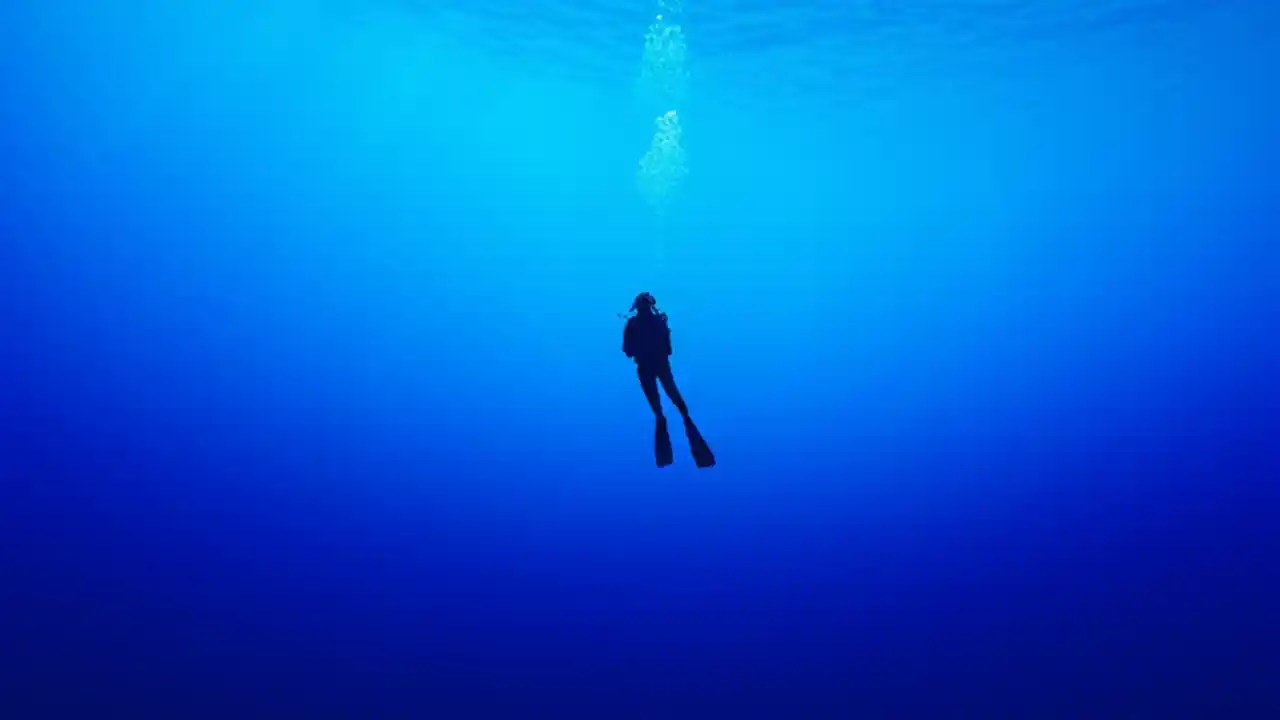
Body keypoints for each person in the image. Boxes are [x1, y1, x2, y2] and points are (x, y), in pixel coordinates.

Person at [622, 292, 714, 468]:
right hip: (661, 365)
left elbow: (627, 351)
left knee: (658, 408)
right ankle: (684, 422)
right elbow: (669, 349)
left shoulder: (634, 324)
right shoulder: (659, 321)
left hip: (646, 367)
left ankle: (666, 429)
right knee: (675, 399)